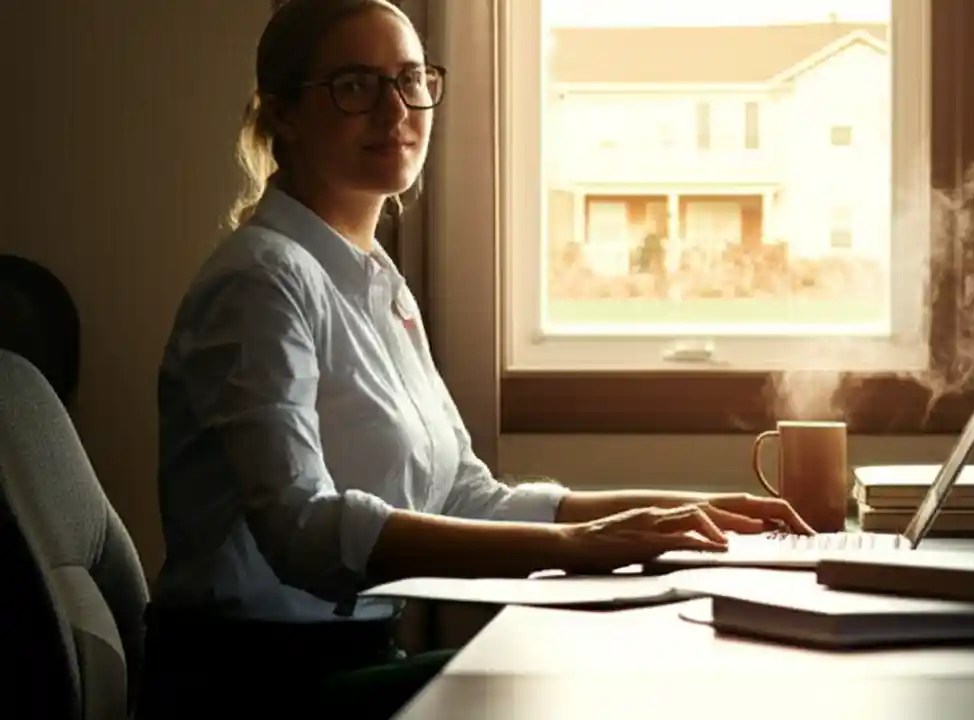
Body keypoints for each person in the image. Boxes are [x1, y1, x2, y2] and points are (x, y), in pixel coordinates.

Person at [139, 1, 813, 718]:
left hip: (349, 660)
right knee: (586, 677)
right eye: (355, 86)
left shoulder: (374, 281)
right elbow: (301, 529)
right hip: (253, 687)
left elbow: (463, 494)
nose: (395, 109)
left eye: (411, 79)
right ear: (284, 115)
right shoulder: (262, 281)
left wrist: (674, 514)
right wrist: (581, 544)